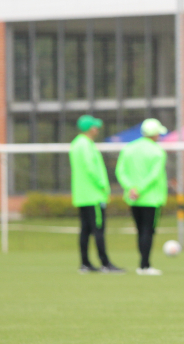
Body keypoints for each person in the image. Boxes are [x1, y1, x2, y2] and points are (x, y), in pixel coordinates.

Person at [69, 115, 123, 274]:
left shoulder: (76, 144)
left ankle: (85, 263)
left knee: (85, 230)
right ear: (89, 128)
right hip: (93, 195)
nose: (97, 129)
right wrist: (103, 186)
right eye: (95, 127)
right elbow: (91, 168)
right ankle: (105, 263)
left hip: (82, 195)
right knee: (98, 229)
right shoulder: (86, 145)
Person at [116, 118, 168, 276]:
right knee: (147, 231)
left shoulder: (128, 148)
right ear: (155, 134)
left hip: (133, 198)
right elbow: (154, 175)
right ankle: (145, 265)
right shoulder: (157, 151)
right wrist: (140, 189)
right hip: (151, 198)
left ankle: (143, 264)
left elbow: (120, 172)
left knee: (140, 231)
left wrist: (131, 188)